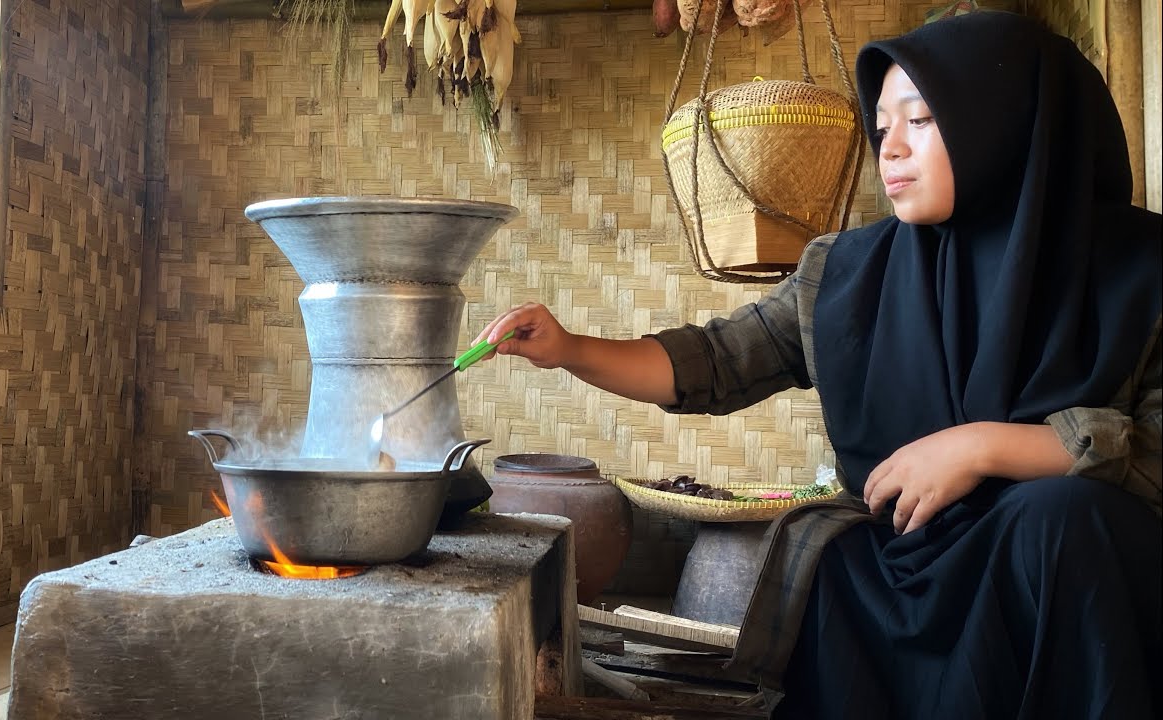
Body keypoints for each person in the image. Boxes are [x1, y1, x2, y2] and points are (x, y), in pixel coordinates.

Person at [473, 11, 1161, 719]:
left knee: (1060, 518)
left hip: (1066, 586)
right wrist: (570, 350)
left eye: (920, 120)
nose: (889, 148)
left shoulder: (1139, 272)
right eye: (882, 126)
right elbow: (715, 362)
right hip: (910, 569)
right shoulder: (846, 274)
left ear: (1005, 124)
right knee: (830, 555)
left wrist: (985, 446)